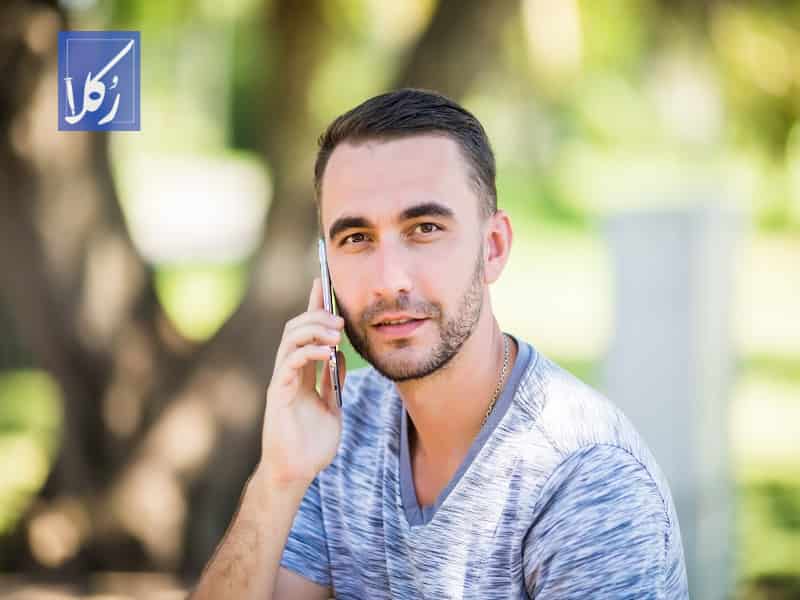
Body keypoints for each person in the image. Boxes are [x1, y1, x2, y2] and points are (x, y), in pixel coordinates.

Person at [190, 88, 689, 599]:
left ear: (493, 248)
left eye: (424, 228)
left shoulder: (585, 478)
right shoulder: (337, 428)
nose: (389, 280)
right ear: (326, 265)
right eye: (357, 238)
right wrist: (278, 478)